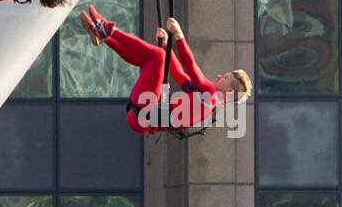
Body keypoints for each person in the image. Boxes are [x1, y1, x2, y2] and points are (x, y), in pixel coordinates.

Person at [81, 9, 251, 136]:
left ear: (229, 91)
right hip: (139, 117)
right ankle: (106, 37)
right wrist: (167, 44)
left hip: (143, 111)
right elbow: (179, 74)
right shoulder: (206, 103)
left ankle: (109, 30)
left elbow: (190, 65)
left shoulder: (211, 95)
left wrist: (179, 35)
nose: (220, 75)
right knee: (152, 59)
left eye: (226, 77)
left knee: (157, 57)